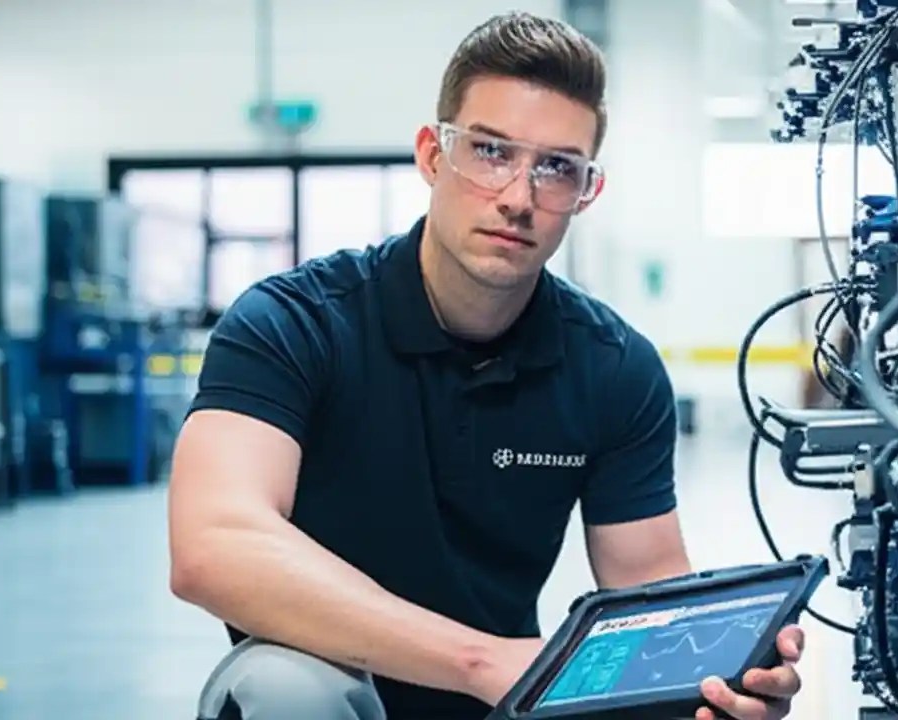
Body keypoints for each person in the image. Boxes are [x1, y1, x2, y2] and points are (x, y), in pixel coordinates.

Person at [169, 11, 807, 720]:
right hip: (352, 687)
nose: (517, 197)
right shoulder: (295, 323)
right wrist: (481, 660)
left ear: (586, 192)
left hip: (508, 700)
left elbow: (647, 596)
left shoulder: (612, 368)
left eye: (556, 168)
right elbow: (213, 545)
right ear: (432, 155)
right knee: (283, 687)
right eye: (491, 151)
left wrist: (714, 681)